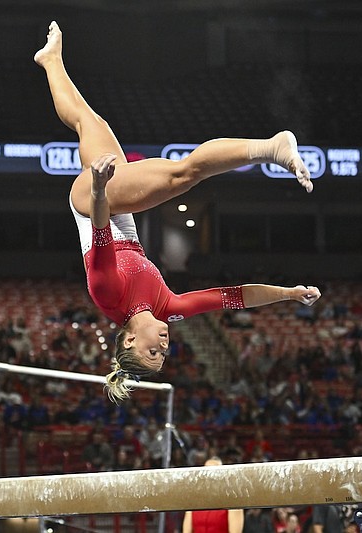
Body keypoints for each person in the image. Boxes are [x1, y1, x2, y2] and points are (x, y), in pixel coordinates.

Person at [34, 21, 321, 402]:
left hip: (94, 205)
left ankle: (270, 148)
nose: (164, 346)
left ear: (131, 338)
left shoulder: (108, 294)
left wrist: (101, 187)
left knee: (181, 176)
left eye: (152, 351)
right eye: (163, 355)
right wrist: (287, 294)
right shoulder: (167, 308)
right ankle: (51, 60)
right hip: (116, 211)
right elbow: (230, 297)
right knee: (88, 121)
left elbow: (102, 233)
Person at [182, 457, 244, 533]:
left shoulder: (233, 502)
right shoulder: (194, 501)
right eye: (206, 471)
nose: (210, 475)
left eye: (214, 472)